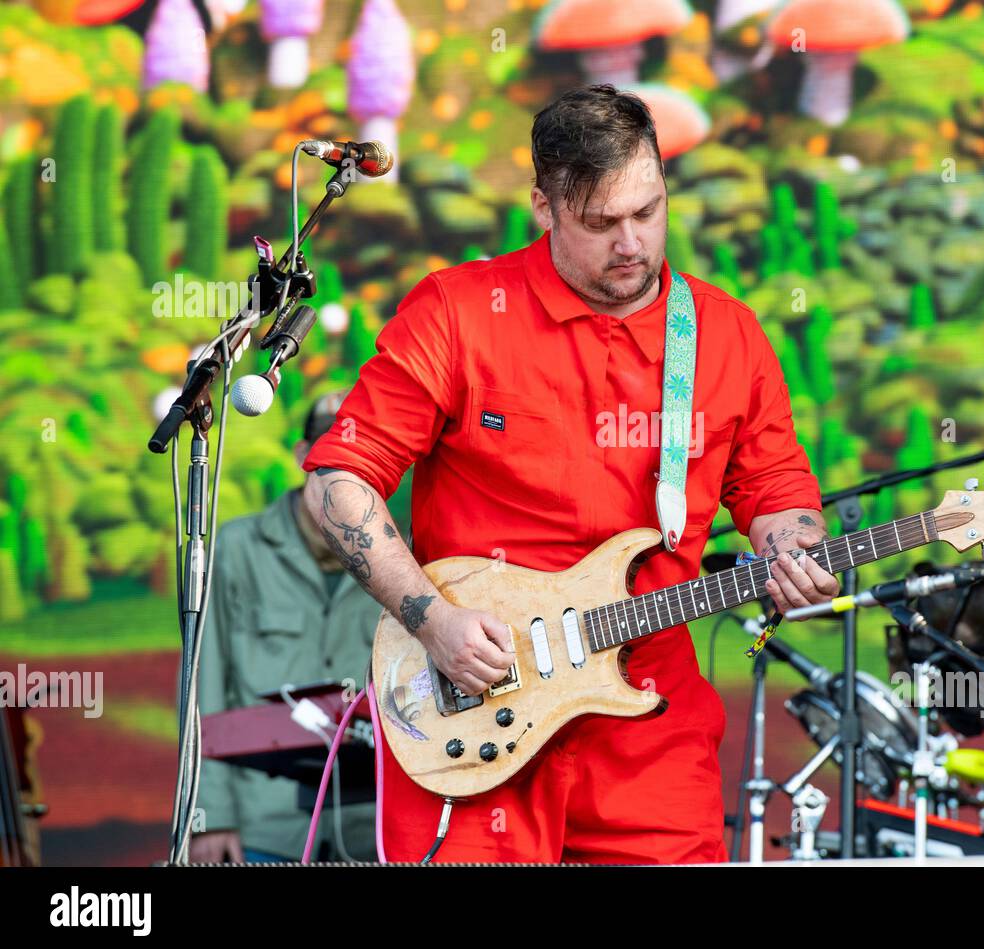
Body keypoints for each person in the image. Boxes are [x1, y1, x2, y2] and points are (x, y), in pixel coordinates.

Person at [301, 85, 840, 864]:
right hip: (476, 707)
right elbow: (338, 480)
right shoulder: (459, 310)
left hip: (649, 724)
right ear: (543, 206)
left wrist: (797, 549)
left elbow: (776, 491)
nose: (632, 244)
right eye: (600, 223)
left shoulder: (726, 335)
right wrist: (433, 621)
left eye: (648, 212)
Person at [190, 391, 382, 864]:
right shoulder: (236, 548)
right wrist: (209, 815)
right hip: (262, 826)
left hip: (372, 824)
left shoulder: (403, 557)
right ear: (304, 456)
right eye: (335, 460)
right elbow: (202, 686)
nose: (347, 482)